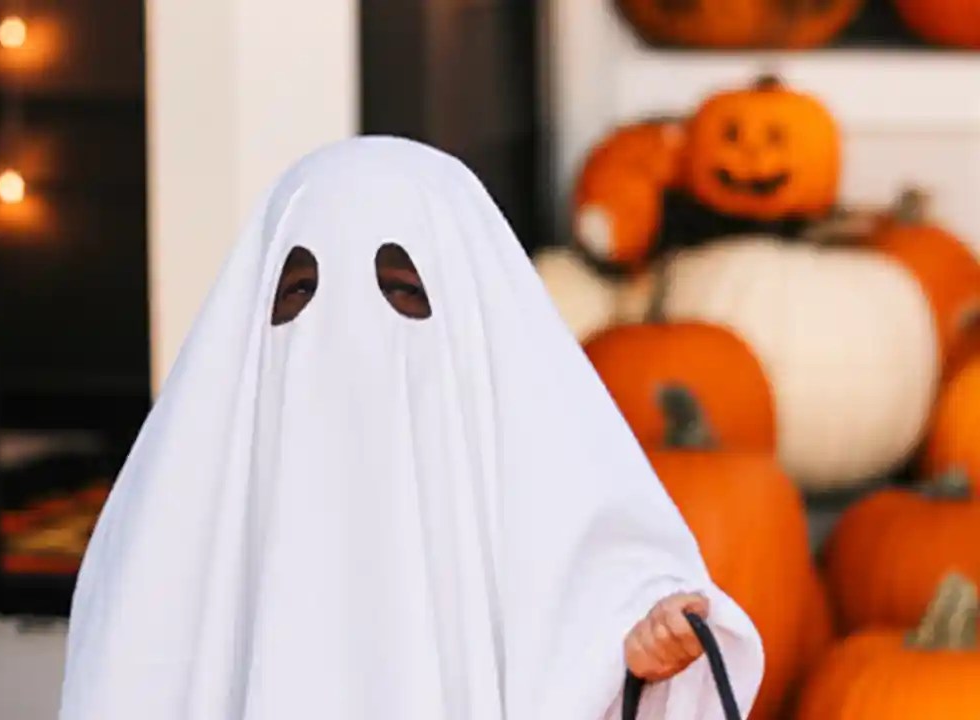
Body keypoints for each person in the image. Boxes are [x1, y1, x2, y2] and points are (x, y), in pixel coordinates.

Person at [59, 137, 763, 719]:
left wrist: (642, 658)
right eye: (301, 291)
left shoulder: (547, 486)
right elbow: (135, 677)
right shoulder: (178, 525)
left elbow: (606, 624)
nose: (349, 328)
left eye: (401, 292)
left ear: (474, 314)